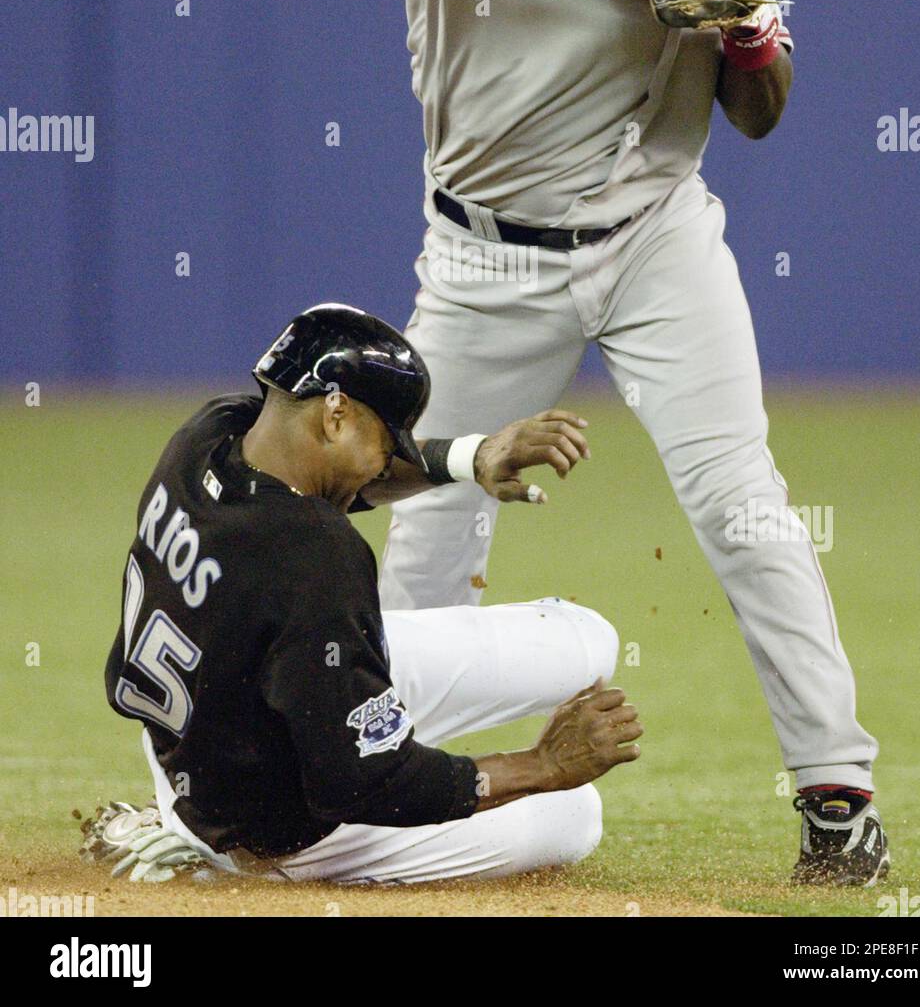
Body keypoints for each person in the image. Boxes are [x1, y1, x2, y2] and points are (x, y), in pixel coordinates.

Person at [378, 0, 887, 885]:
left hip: (657, 232)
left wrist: (750, 32)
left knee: (743, 500)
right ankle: (376, 785)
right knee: (427, 524)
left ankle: (835, 792)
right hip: (488, 254)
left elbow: (758, 111)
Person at [83, 303, 640, 885]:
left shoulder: (209, 436)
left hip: (204, 735)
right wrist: (541, 765)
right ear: (335, 412)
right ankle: (203, 861)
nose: (383, 464)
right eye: (384, 442)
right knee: (574, 816)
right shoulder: (315, 556)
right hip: (272, 823)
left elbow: (328, 488)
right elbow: (367, 781)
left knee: (587, 640)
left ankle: (180, 815)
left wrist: (469, 458)